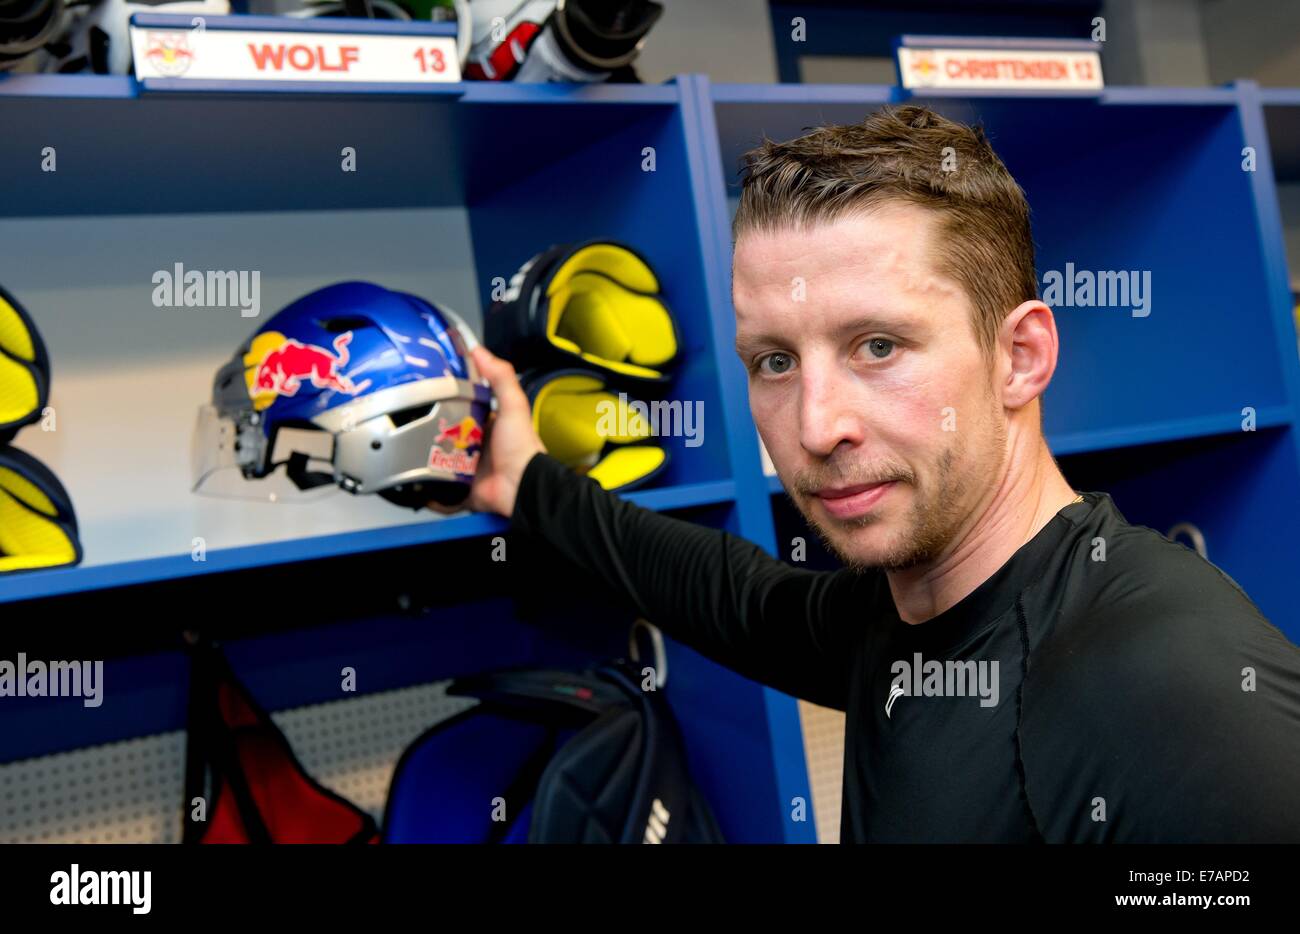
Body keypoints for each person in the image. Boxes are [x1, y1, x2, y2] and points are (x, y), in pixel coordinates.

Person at [442, 105, 1300, 843]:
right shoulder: (903, 620)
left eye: (878, 347)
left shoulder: (1161, 679)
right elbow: (728, 594)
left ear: (1020, 357)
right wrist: (525, 481)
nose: (817, 427)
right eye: (775, 361)